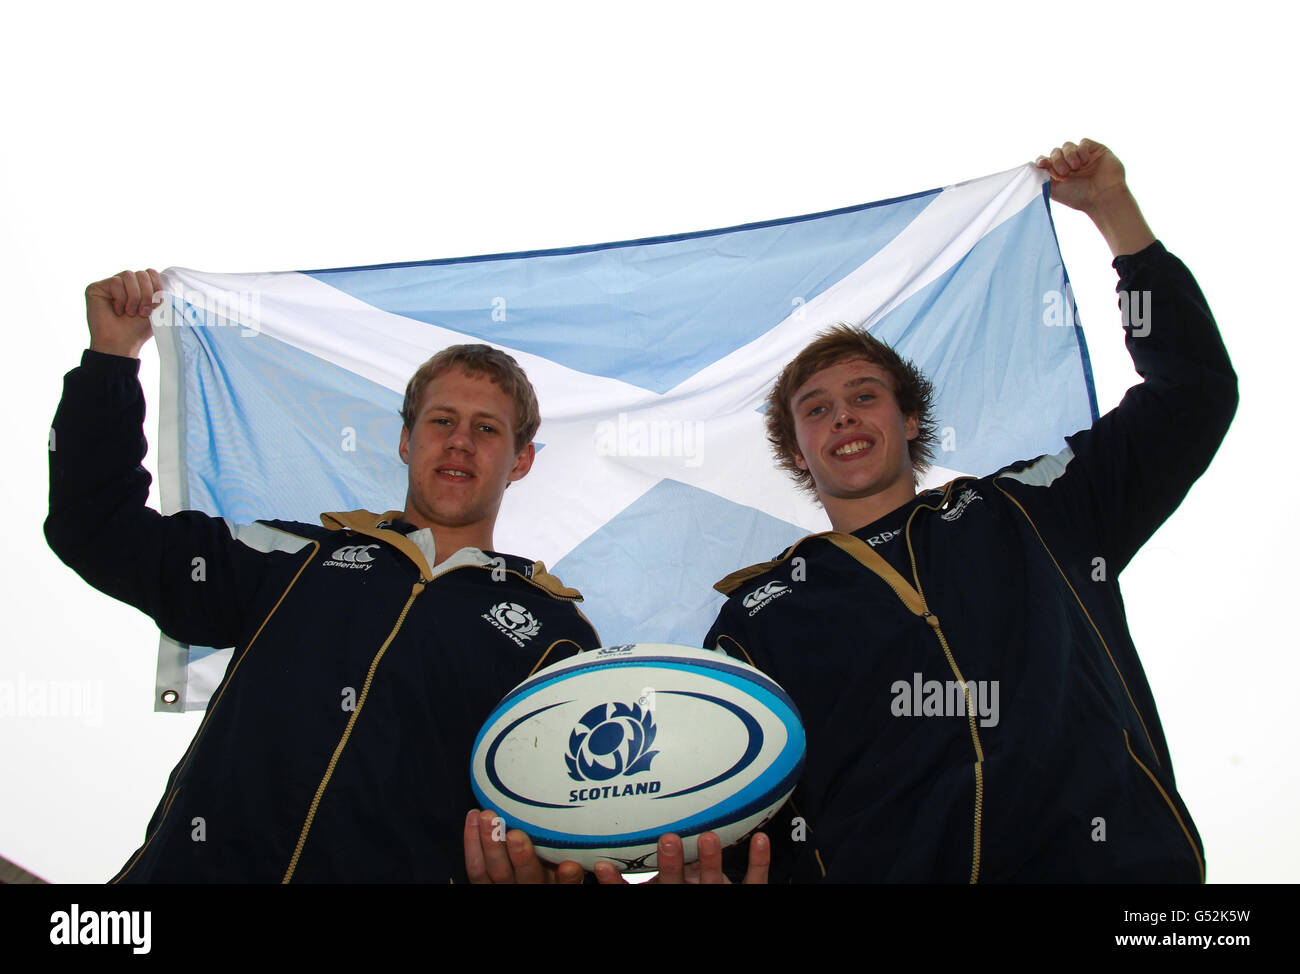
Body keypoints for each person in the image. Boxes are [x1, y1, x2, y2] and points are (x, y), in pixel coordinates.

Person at [702, 139, 1236, 882]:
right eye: (816, 410)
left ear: (910, 419)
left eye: (865, 396)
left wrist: (1115, 216)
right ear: (797, 452)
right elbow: (733, 816)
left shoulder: (1034, 507)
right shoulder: (755, 618)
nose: (845, 419)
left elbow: (1193, 394)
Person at [46, 270, 601, 882]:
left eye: (487, 428)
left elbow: (571, 827)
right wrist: (111, 358)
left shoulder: (559, 637)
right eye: (442, 420)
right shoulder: (292, 557)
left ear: (520, 461)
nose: (461, 442)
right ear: (405, 441)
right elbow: (96, 527)